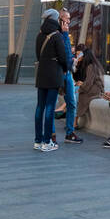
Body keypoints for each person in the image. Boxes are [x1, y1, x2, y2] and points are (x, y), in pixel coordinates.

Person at [35, 8, 70, 152]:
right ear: (56, 19)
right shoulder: (56, 36)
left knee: (40, 107)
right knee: (50, 108)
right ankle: (47, 141)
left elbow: (38, 56)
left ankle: (38, 140)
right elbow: (64, 57)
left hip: (41, 74)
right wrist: (66, 66)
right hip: (53, 75)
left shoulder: (39, 35)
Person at [57, 9, 82, 144]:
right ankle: (51, 135)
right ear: (60, 19)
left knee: (72, 104)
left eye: (69, 18)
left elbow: (68, 54)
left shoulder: (64, 34)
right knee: (49, 104)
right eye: (66, 18)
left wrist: (72, 59)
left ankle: (70, 132)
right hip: (59, 74)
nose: (68, 21)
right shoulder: (58, 34)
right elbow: (65, 54)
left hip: (67, 74)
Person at [73, 46, 106, 129]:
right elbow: (86, 81)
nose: (80, 57)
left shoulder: (91, 66)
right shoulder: (91, 65)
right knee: (75, 92)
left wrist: (81, 88)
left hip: (95, 90)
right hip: (93, 87)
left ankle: (74, 122)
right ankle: (73, 121)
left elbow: (89, 83)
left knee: (78, 94)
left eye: (81, 55)